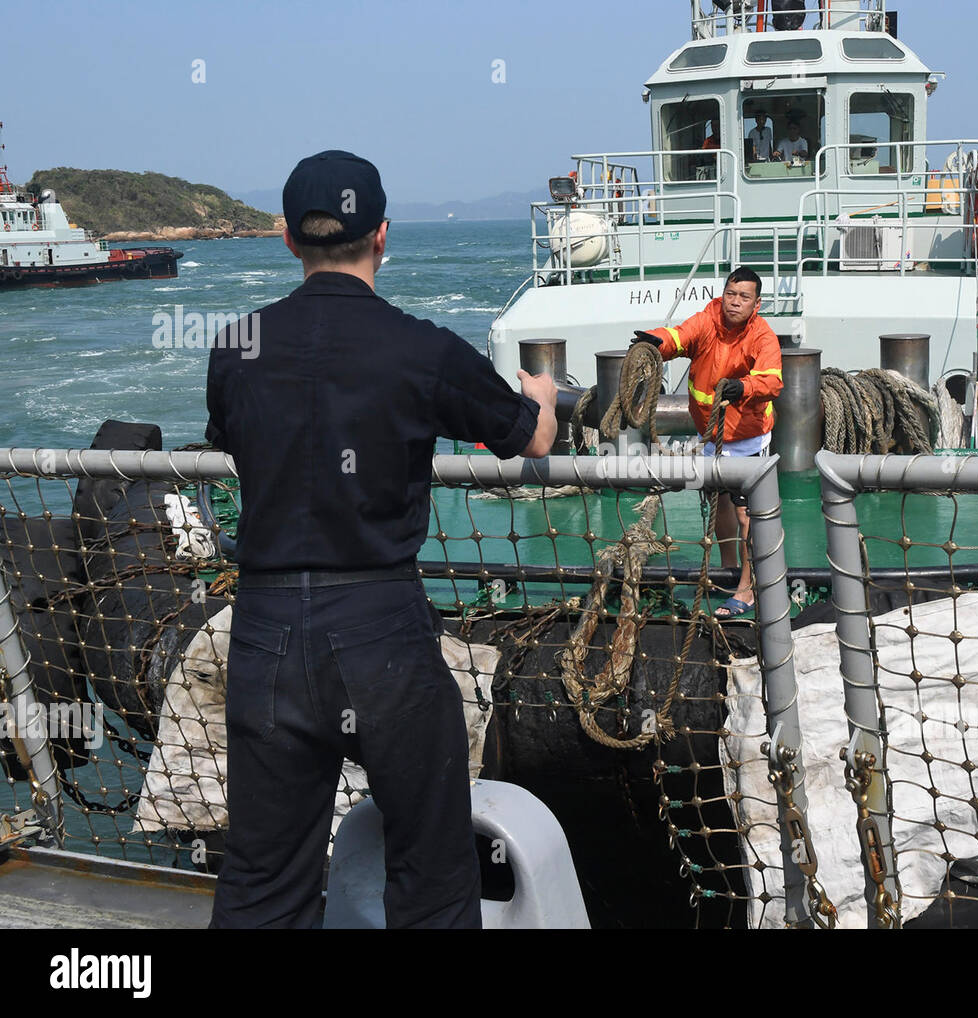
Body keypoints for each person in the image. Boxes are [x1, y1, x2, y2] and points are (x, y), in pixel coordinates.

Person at [205, 150, 558, 928]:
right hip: (378, 631)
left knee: (262, 879)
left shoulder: (236, 348)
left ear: (290, 241)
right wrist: (542, 393)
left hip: (263, 631)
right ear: (384, 236)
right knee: (431, 872)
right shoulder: (421, 348)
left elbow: (240, 440)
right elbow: (528, 441)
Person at [631, 267, 782, 618]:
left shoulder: (763, 336)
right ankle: (730, 569)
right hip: (711, 437)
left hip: (747, 440)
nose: (735, 302)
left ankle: (748, 588)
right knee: (720, 507)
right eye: (731, 293)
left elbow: (772, 381)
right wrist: (654, 341)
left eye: (744, 297)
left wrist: (744, 387)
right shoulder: (708, 319)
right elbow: (680, 337)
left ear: (756, 304)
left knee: (749, 516)